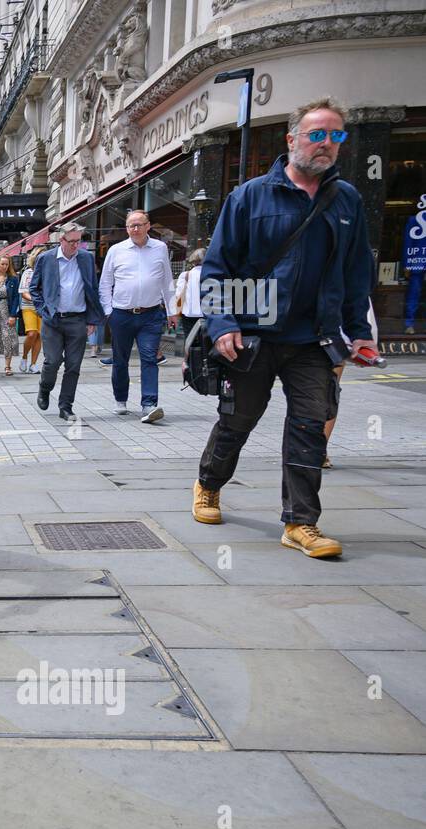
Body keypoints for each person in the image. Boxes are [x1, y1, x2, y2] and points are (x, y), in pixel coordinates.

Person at [192, 96, 376, 559]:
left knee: (310, 427)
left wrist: (360, 332)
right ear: (291, 139)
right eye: (318, 134)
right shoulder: (250, 196)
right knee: (238, 420)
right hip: (254, 333)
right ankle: (209, 484)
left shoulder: (346, 200)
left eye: (336, 136)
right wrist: (223, 324)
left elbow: (357, 274)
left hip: (315, 337)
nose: (327, 145)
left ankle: (300, 523)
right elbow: (217, 267)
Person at [99, 209, 176, 422]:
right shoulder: (116, 250)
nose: (135, 229)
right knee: (120, 360)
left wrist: (172, 311)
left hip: (150, 315)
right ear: (127, 229)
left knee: (150, 358)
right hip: (121, 314)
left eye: (139, 224)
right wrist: (108, 312)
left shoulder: (160, 248)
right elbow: (105, 283)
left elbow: (166, 281)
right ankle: (120, 399)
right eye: (131, 225)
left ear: (148, 226)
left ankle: (149, 404)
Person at [29, 222, 105, 421]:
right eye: (71, 241)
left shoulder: (86, 259)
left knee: (73, 366)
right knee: (52, 361)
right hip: (53, 320)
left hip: (77, 320)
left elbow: (92, 289)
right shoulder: (46, 259)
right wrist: (42, 310)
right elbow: (34, 289)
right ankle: (45, 388)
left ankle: (66, 406)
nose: (75, 245)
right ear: (61, 240)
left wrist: (92, 319)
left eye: (78, 241)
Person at [323, 299, 379, 468]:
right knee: (327, 390)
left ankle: (318, 448)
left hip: (333, 326)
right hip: (322, 324)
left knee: (329, 389)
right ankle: (317, 450)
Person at [18, 246, 44, 373]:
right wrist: (36, 300)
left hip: (43, 308)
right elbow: (23, 292)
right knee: (32, 333)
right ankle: (24, 357)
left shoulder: (48, 272)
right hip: (28, 306)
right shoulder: (28, 273)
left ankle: (33, 365)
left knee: (39, 335)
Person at [173, 247, 206, 340]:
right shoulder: (211, 274)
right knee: (205, 341)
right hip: (207, 315)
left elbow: (178, 295)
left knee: (190, 341)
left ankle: (190, 354)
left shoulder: (185, 275)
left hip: (189, 315)